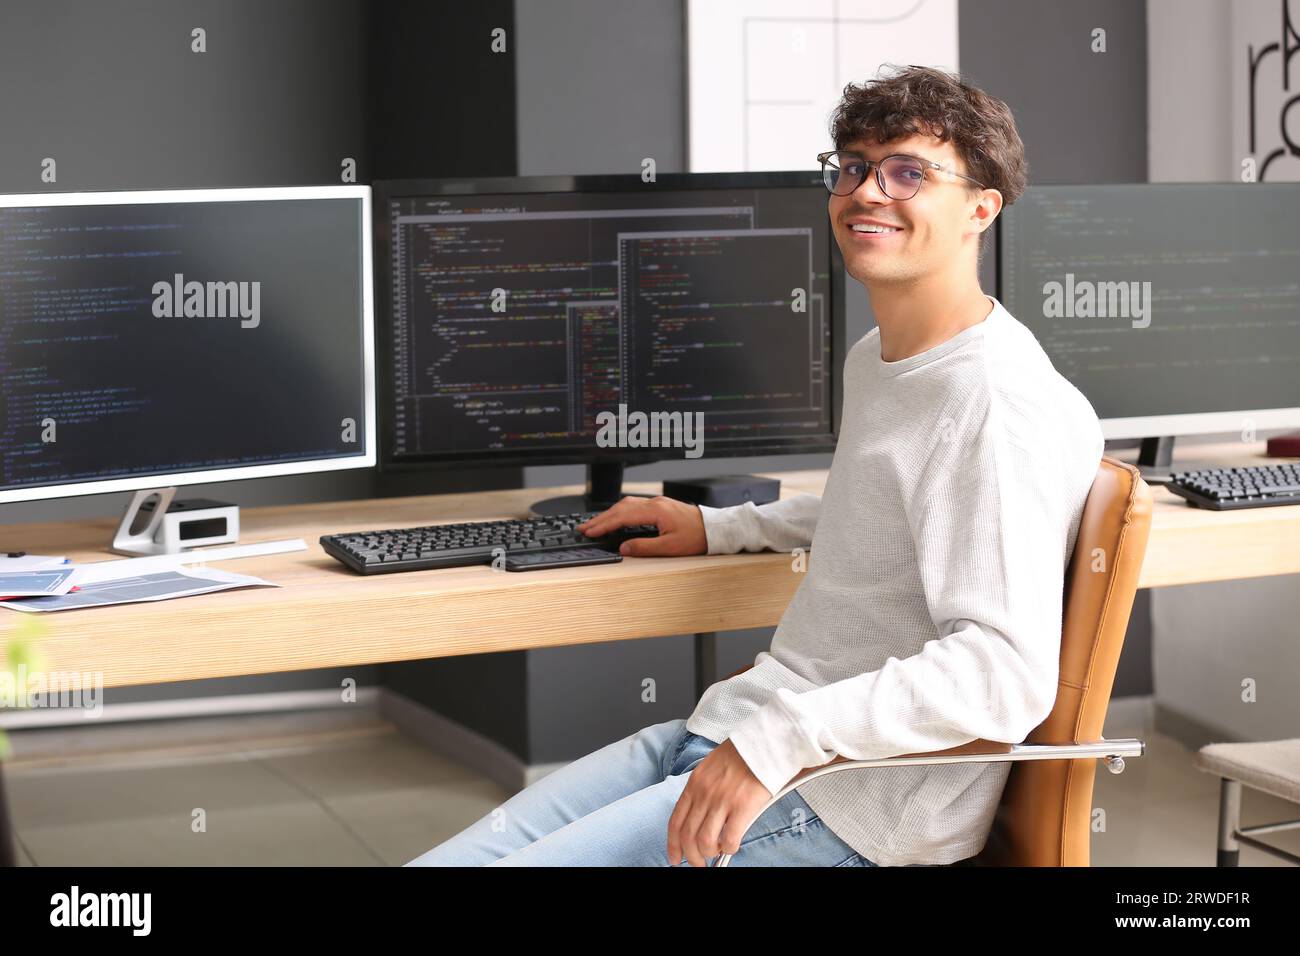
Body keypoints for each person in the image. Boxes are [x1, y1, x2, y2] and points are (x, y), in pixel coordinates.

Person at [407, 63, 1104, 868]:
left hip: (839, 803)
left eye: (909, 171)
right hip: (738, 735)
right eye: (853, 167)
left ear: (982, 207)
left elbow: (1001, 675)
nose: (868, 192)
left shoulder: (993, 403)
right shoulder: (887, 354)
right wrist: (722, 526)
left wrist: (779, 740)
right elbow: (894, 508)